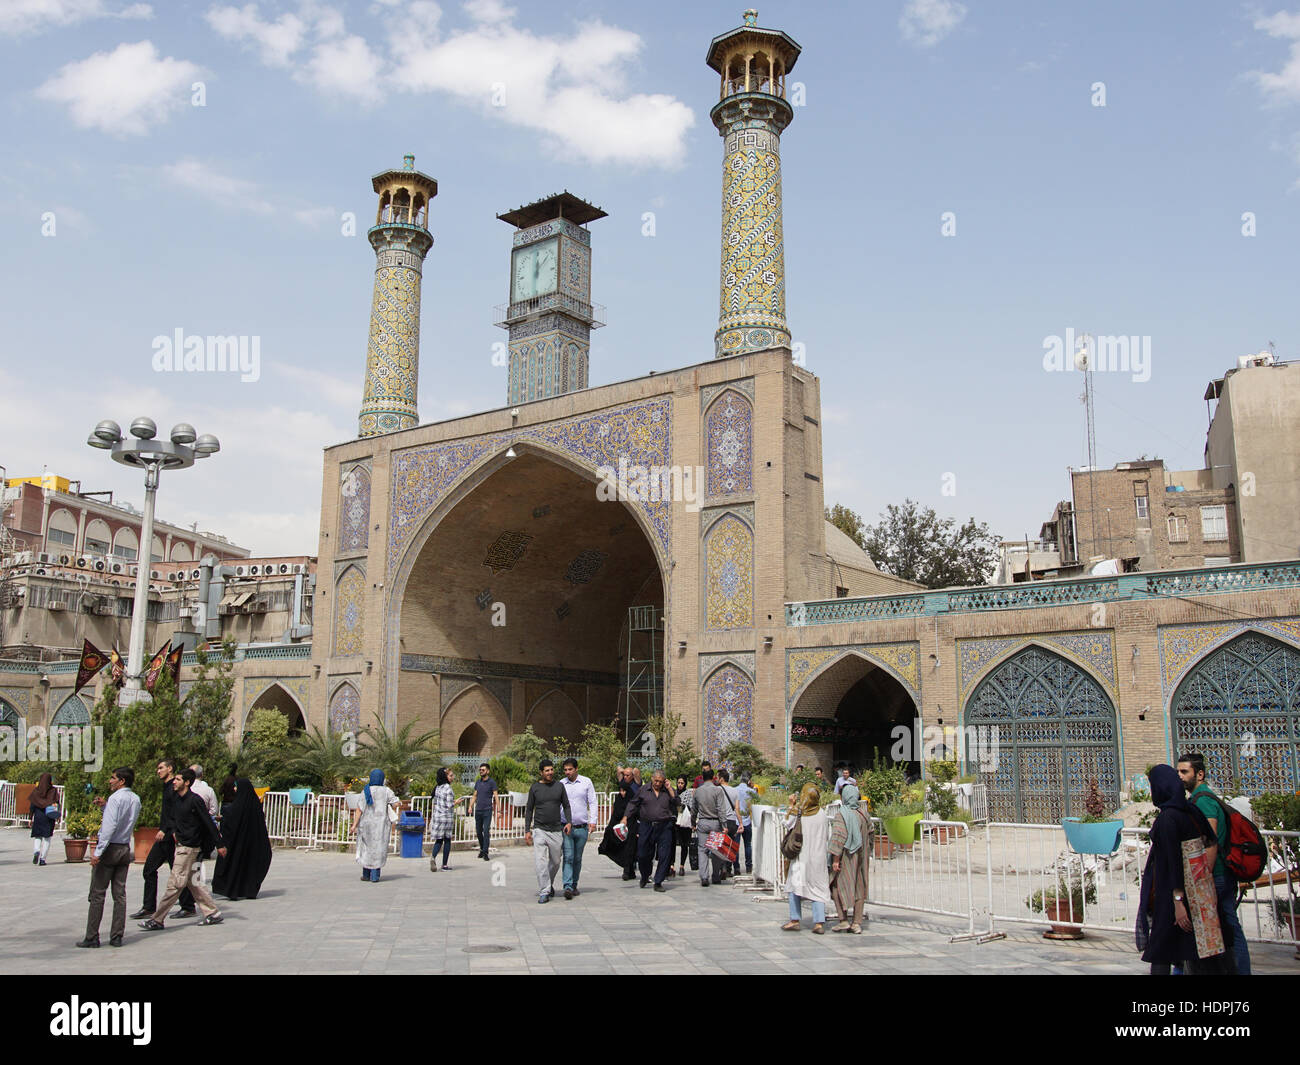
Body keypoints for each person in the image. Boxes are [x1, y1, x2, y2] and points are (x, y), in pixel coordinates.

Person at [1136, 764, 1226, 974]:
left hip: (1172, 896)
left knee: (1161, 949)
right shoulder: (1191, 810)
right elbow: (1211, 842)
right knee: (1195, 949)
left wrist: (1178, 902)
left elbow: (1172, 861)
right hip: (1198, 892)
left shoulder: (1168, 819)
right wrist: (1202, 876)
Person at [1177, 752, 1251, 975]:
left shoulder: (1204, 801)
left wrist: (1202, 878)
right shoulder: (1200, 799)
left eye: (1184, 772)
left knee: (1227, 927)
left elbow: (1210, 841)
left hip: (1215, 875)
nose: (1180, 777)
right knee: (1228, 925)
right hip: (1219, 875)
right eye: (1178, 772)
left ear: (1199, 774)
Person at [138, 769, 228, 930]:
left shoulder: (195, 800)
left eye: (178, 779)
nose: (174, 781)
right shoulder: (177, 800)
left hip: (189, 849)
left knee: (174, 884)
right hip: (182, 846)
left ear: (187, 782)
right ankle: (212, 913)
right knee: (194, 883)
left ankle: (157, 919)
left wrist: (219, 844)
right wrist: (167, 831)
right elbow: (172, 819)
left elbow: (208, 822)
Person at [76, 767, 141, 948]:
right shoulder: (135, 799)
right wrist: (105, 806)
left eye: (113, 778)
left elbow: (109, 828)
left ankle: (91, 937)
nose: (110, 781)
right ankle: (117, 936)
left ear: (121, 781)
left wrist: (97, 852)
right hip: (124, 848)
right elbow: (124, 820)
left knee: (98, 894)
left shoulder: (116, 799)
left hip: (110, 848)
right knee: (119, 894)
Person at [130, 759, 194, 919]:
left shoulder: (174, 786)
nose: (158, 771)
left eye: (161, 768)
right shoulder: (166, 787)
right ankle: (149, 907)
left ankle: (188, 906)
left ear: (170, 769)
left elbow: (176, 813)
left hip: (171, 836)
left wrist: (166, 830)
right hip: (164, 837)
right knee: (149, 869)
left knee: (177, 872)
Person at [212, 778, 273, 901]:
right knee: (248, 866)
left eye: (236, 787)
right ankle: (248, 890)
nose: (234, 789)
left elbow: (230, 825)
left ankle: (233, 890)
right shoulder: (255, 806)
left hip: (237, 846)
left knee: (235, 865)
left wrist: (222, 821)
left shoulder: (236, 807)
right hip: (252, 846)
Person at [782, 784, 831, 934]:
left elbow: (786, 824)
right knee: (818, 888)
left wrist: (792, 805)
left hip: (801, 858)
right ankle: (819, 923)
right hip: (818, 858)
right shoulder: (822, 814)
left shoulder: (800, 813)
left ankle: (795, 919)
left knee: (795, 886)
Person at [524, 759, 572, 903]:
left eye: (551, 770)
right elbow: (529, 809)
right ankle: (544, 891)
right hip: (539, 829)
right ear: (541, 772)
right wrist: (527, 829)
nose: (550, 772)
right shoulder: (535, 788)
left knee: (556, 861)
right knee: (541, 862)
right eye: (547, 770)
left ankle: (548, 883)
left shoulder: (559, 786)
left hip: (556, 830)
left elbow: (566, 805)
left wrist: (569, 821)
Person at [622, 769, 677, 891]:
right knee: (642, 854)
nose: (657, 783)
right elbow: (633, 804)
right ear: (652, 778)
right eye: (656, 781)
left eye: (660, 781)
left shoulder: (667, 790)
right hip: (646, 826)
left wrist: (670, 789)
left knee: (664, 855)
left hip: (664, 826)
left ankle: (658, 881)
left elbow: (677, 802)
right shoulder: (643, 790)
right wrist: (625, 818)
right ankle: (645, 875)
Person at [828, 783, 871, 933]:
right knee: (860, 886)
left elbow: (838, 837)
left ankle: (843, 919)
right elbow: (871, 834)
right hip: (862, 857)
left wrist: (835, 860)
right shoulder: (863, 814)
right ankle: (857, 923)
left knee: (836, 885)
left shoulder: (842, 815)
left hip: (846, 858)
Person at [351, 768, 400, 883]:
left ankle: (366, 874)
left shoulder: (366, 791)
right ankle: (375, 876)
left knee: (367, 849)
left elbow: (359, 809)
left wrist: (354, 825)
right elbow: (395, 804)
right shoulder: (387, 791)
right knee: (379, 848)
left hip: (366, 825)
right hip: (381, 825)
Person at [560, 757, 598, 899]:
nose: (567, 772)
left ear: (576, 769)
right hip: (566, 826)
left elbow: (593, 802)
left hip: (582, 827)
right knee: (568, 856)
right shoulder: (561, 784)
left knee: (577, 858)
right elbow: (558, 804)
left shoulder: (586, 782)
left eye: (570, 769)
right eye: (565, 770)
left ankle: (574, 884)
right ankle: (567, 886)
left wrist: (593, 821)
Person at [692, 768, 732, 886]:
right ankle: (715, 876)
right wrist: (724, 824)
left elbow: (694, 809)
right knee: (715, 850)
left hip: (703, 822)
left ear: (702, 778)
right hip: (715, 823)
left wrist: (693, 822)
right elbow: (721, 808)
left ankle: (704, 877)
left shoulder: (698, 791)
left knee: (702, 850)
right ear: (713, 777)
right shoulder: (717, 790)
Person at [599, 774, 639, 874]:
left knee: (629, 848)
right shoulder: (618, 800)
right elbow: (615, 814)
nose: (622, 793)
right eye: (620, 791)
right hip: (619, 829)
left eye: (624, 791)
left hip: (630, 827)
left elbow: (635, 813)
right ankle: (628, 869)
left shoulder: (632, 800)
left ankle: (628, 870)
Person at [28, 771, 59, 866]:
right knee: (47, 838)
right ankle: (42, 859)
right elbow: (57, 803)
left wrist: (30, 818)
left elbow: (32, 806)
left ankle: (36, 851)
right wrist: (57, 816)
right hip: (49, 817)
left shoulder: (36, 791)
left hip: (38, 817)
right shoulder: (53, 791)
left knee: (38, 836)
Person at [717, 768, 741, 877]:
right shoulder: (735, 791)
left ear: (721, 779)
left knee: (721, 845)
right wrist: (740, 823)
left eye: (717, 777)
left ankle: (722, 868)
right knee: (730, 846)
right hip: (732, 821)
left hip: (722, 821)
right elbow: (737, 809)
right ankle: (728, 868)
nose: (716, 779)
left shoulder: (718, 790)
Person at [430, 768, 455, 871]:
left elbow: (435, 802)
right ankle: (444, 865)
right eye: (451, 776)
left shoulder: (437, 788)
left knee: (439, 840)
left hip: (438, 817)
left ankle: (433, 856)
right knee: (447, 840)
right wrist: (457, 801)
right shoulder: (448, 789)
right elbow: (449, 805)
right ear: (446, 777)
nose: (453, 777)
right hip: (446, 818)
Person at [471, 762, 497, 860]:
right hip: (478, 810)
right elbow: (474, 795)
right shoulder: (478, 782)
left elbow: (496, 796)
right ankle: (482, 848)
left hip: (487, 810)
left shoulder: (492, 782)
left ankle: (485, 852)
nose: (481, 771)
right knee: (478, 831)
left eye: (483, 770)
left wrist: (498, 810)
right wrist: (470, 806)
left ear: (487, 771)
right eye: (480, 770)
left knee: (486, 831)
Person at [733, 773, 758, 874]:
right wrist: (753, 787)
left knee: (736, 845)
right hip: (747, 821)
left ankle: (736, 868)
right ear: (748, 781)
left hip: (736, 820)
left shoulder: (734, 790)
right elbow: (758, 799)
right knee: (748, 844)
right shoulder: (751, 791)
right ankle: (749, 866)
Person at [674, 775, 696, 877]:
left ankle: (682, 866)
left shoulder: (688, 794)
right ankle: (671, 866)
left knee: (684, 845)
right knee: (672, 844)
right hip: (675, 822)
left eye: (682, 783)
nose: (680, 785)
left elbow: (691, 807)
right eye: (678, 783)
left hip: (685, 823)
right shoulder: (673, 793)